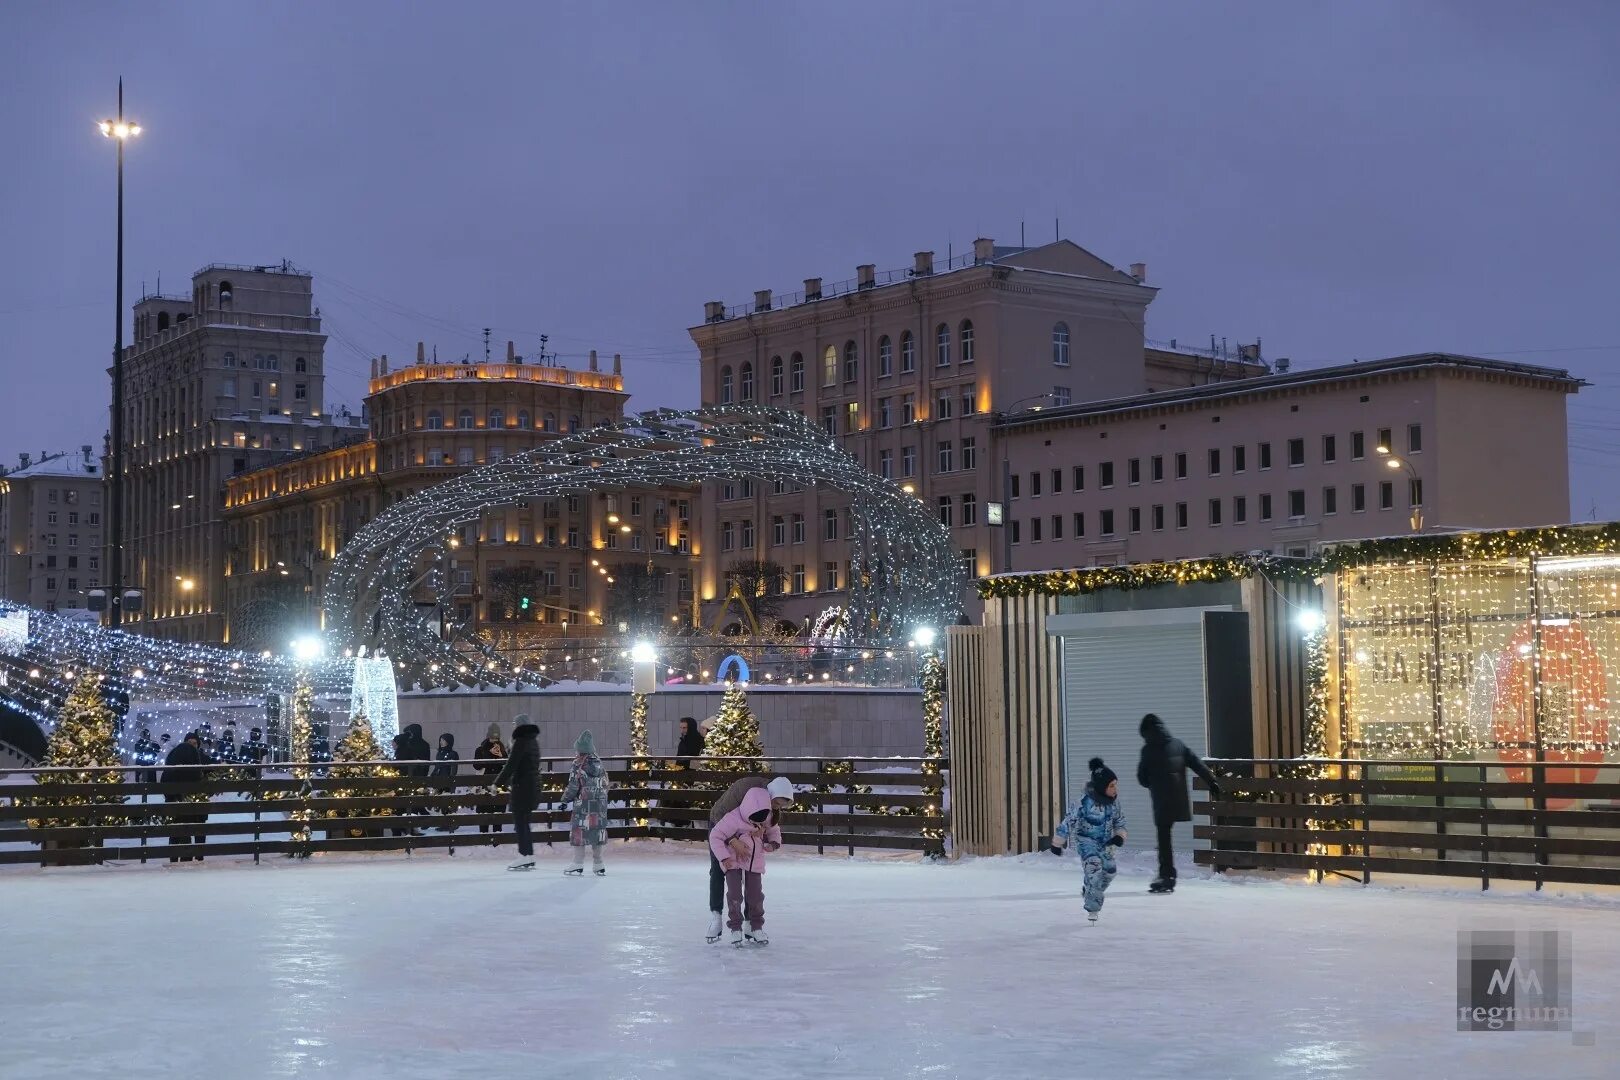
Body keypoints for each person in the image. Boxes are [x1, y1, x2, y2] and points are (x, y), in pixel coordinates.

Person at [1136, 712, 1222, 894]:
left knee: (1164, 837)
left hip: (1161, 801)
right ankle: (1167, 875)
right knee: (1165, 836)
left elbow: (1141, 778)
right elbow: (1196, 763)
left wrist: (1152, 782)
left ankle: (1167, 876)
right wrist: (1212, 781)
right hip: (1178, 799)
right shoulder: (1178, 744)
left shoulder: (1147, 750)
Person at [704, 776, 793, 943]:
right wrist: (732, 840)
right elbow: (719, 820)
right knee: (719, 869)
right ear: (770, 796)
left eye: (780, 806)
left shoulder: (769, 805)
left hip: (747, 838)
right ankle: (716, 917)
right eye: (777, 804)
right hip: (719, 821)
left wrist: (763, 834)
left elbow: (771, 828)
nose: (777, 808)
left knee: (753, 887)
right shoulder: (744, 789)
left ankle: (750, 924)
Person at [1048, 758, 1128, 923]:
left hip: (1106, 844)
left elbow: (1120, 822)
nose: (1115, 789)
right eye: (1111, 785)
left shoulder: (1114, 803)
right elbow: (1068, 821)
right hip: (1086, 842)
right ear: (1101, 786)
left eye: (1116, 784)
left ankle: (1089, 890)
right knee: (1095, 872)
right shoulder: (1083, 803)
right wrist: (1057, 843)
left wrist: (1119, 836)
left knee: (1110, 872)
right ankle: (1093, 909)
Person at [560, 730, 609, 876]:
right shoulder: (599, 763)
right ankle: (598, 863)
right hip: (599, 805)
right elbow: (606, 783)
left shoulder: (578, 765)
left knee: (579, 832)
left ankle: (577, 863)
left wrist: (564, 800)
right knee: (596, 832)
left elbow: (573, 786)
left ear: (581, 750)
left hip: (583, 805)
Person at [160, 731, 213, 862]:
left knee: (197, 827)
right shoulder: (177, 756)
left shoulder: (202, 758)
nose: (192, 746)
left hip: (196, 801)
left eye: (194, 743)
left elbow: (211, 776)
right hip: (181, 800)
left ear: (198, 745)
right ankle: (179, 857)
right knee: (180, 828)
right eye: (189, 743)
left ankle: (198, 856)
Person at [495, 718, 540, 870]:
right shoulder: (532, 741)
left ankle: (523, 855)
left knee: (520, 822)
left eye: (514, 724)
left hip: (522, 787)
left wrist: (497, 783)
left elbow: (511, 765)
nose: (512, 727)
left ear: (520, 726)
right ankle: (529, 854)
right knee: (524, 822)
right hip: (531, 786)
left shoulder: (521, 741)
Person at [473, 722, 507, 834]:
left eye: (496, 737)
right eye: (492, 737)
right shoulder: (481, 749)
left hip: (498, 785)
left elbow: (507, 765)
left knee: (498, 814)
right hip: (484, 785)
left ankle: (497, 839)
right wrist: (488, 754)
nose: (494, 740)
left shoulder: (502, 748)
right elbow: (476, 765)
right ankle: (484, 839)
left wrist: (501, 756)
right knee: (483, 814)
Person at [432, 733, 461, 830]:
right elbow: (437, 767)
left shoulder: (453, 754)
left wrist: (450, 780)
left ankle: (451, 823)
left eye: (443, 740)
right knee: (441, 802)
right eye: (440, 740)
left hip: (448, 780)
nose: (441, 742)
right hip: (440, 779)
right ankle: (445, 823)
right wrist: (433, 775)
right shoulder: (439, 753)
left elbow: (454, 769)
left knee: (447, 801)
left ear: (448, 741)